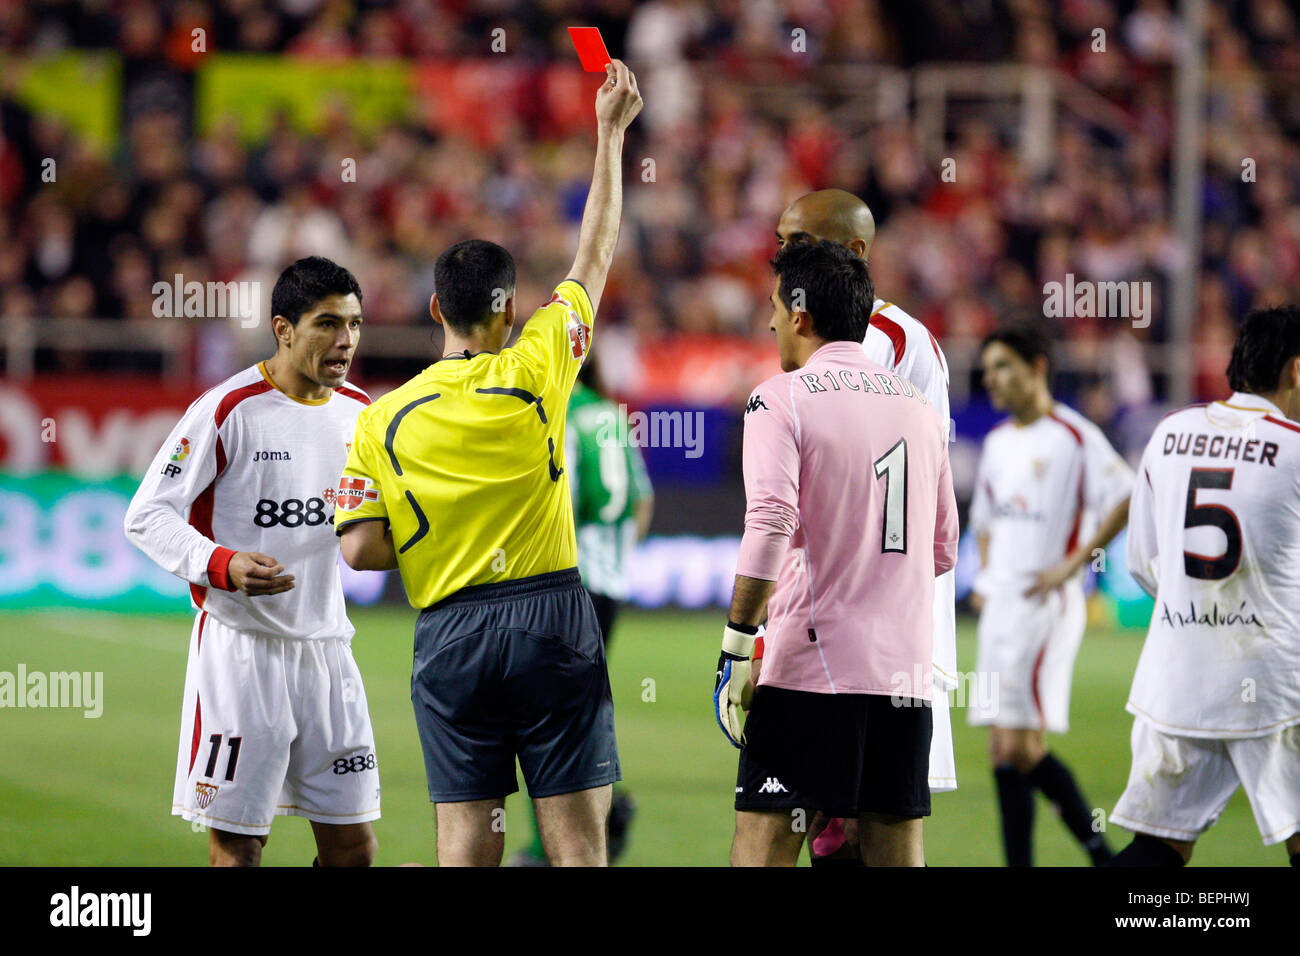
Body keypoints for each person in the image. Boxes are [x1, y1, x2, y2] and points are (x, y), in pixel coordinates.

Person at [336, 60, 642, 867]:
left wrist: (442, 525)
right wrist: (609, 132)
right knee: (578, 842)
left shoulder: (382, 419)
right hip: (551, 618)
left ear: (435, 307)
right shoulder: (540, 362)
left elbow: (361, 552)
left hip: (449, 629)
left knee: (467, 839)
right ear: (510, 308)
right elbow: (595, 251)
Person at [123, 256, 379, 867]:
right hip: (242, 653)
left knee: (354, 849)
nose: (345, 341)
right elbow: (146, 515)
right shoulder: (228, 407)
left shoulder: (361, 412)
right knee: (238, 849)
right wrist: (222, 562)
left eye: (355, 324)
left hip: (328, 653)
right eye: (326, 324)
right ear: (283, 328)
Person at [715, 239, 959, 867]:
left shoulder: (780, 397)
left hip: (809, 672)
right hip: (904, 675)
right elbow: (942, 548)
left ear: (799, 316)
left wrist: (738, 643)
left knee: (764, 845)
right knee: (895, 851)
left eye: (773, 307)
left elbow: (769, 521)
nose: (769, 322)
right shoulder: (920, 411)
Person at [1110, 305, 1300, 867]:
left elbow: (1145, 563)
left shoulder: (1169, 433)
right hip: (1274, 685)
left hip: (1177, 681)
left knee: (1160, 846)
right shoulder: (1293, 447)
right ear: (1296, 370)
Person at [968, 323, 1132, 866]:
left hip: (1045, 609)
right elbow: (986, 522)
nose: (992, 379)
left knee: (1022, 746)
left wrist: (1072, 565)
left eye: (1004, 367)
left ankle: (1102, 855)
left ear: (1038, 367)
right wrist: (990, 579)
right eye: (988, 369)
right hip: (1003, 609)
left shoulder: (1075, 436)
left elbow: (1127, 494)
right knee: (1000, 749)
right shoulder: (995, 443)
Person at [511, 353, 654, 866]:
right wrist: (614, 558)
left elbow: (560, 503)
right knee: (577, 712)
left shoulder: (560, 413)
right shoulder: (614, 416)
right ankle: (605, 815)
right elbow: (641, 501)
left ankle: (543, 847)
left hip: (568, 586)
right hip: (609, 586)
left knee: (543, 718)